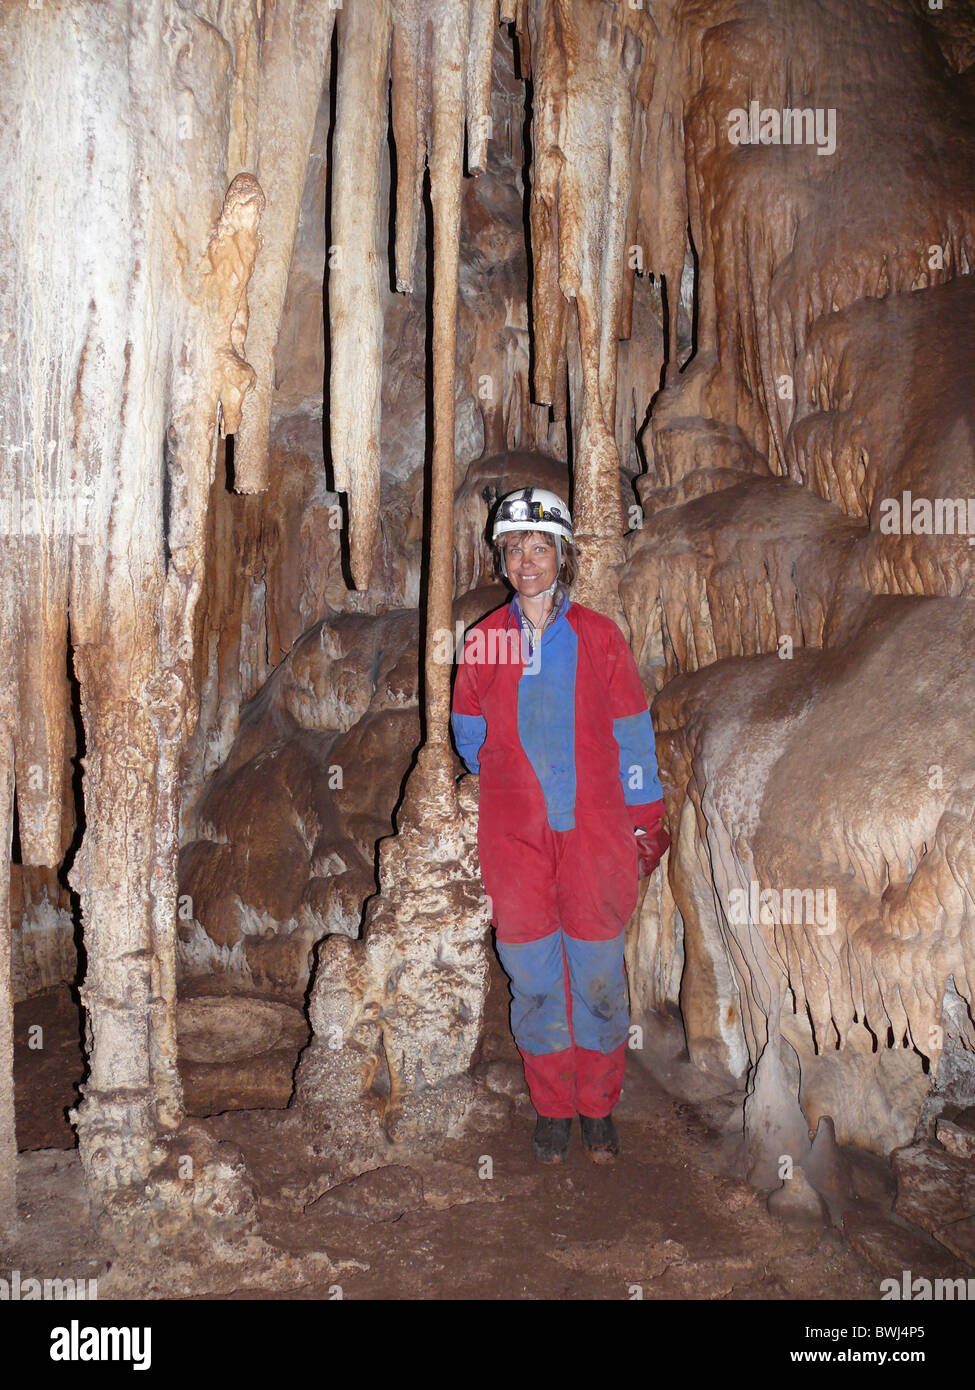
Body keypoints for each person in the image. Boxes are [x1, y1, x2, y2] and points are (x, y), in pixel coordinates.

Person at [450, 486, 670, 1164]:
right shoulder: (483, 641)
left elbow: (634, 738)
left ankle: (597, 1108)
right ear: (502, 559)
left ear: (562, 556)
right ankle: (551, 1107)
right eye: (513, 548)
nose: (525, 560)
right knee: (534, 975)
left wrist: (644, 821)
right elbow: (468, 738)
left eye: (538, 547)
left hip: (595, 831)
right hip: (513, 836)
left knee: (598, 972)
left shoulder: (599, 637)